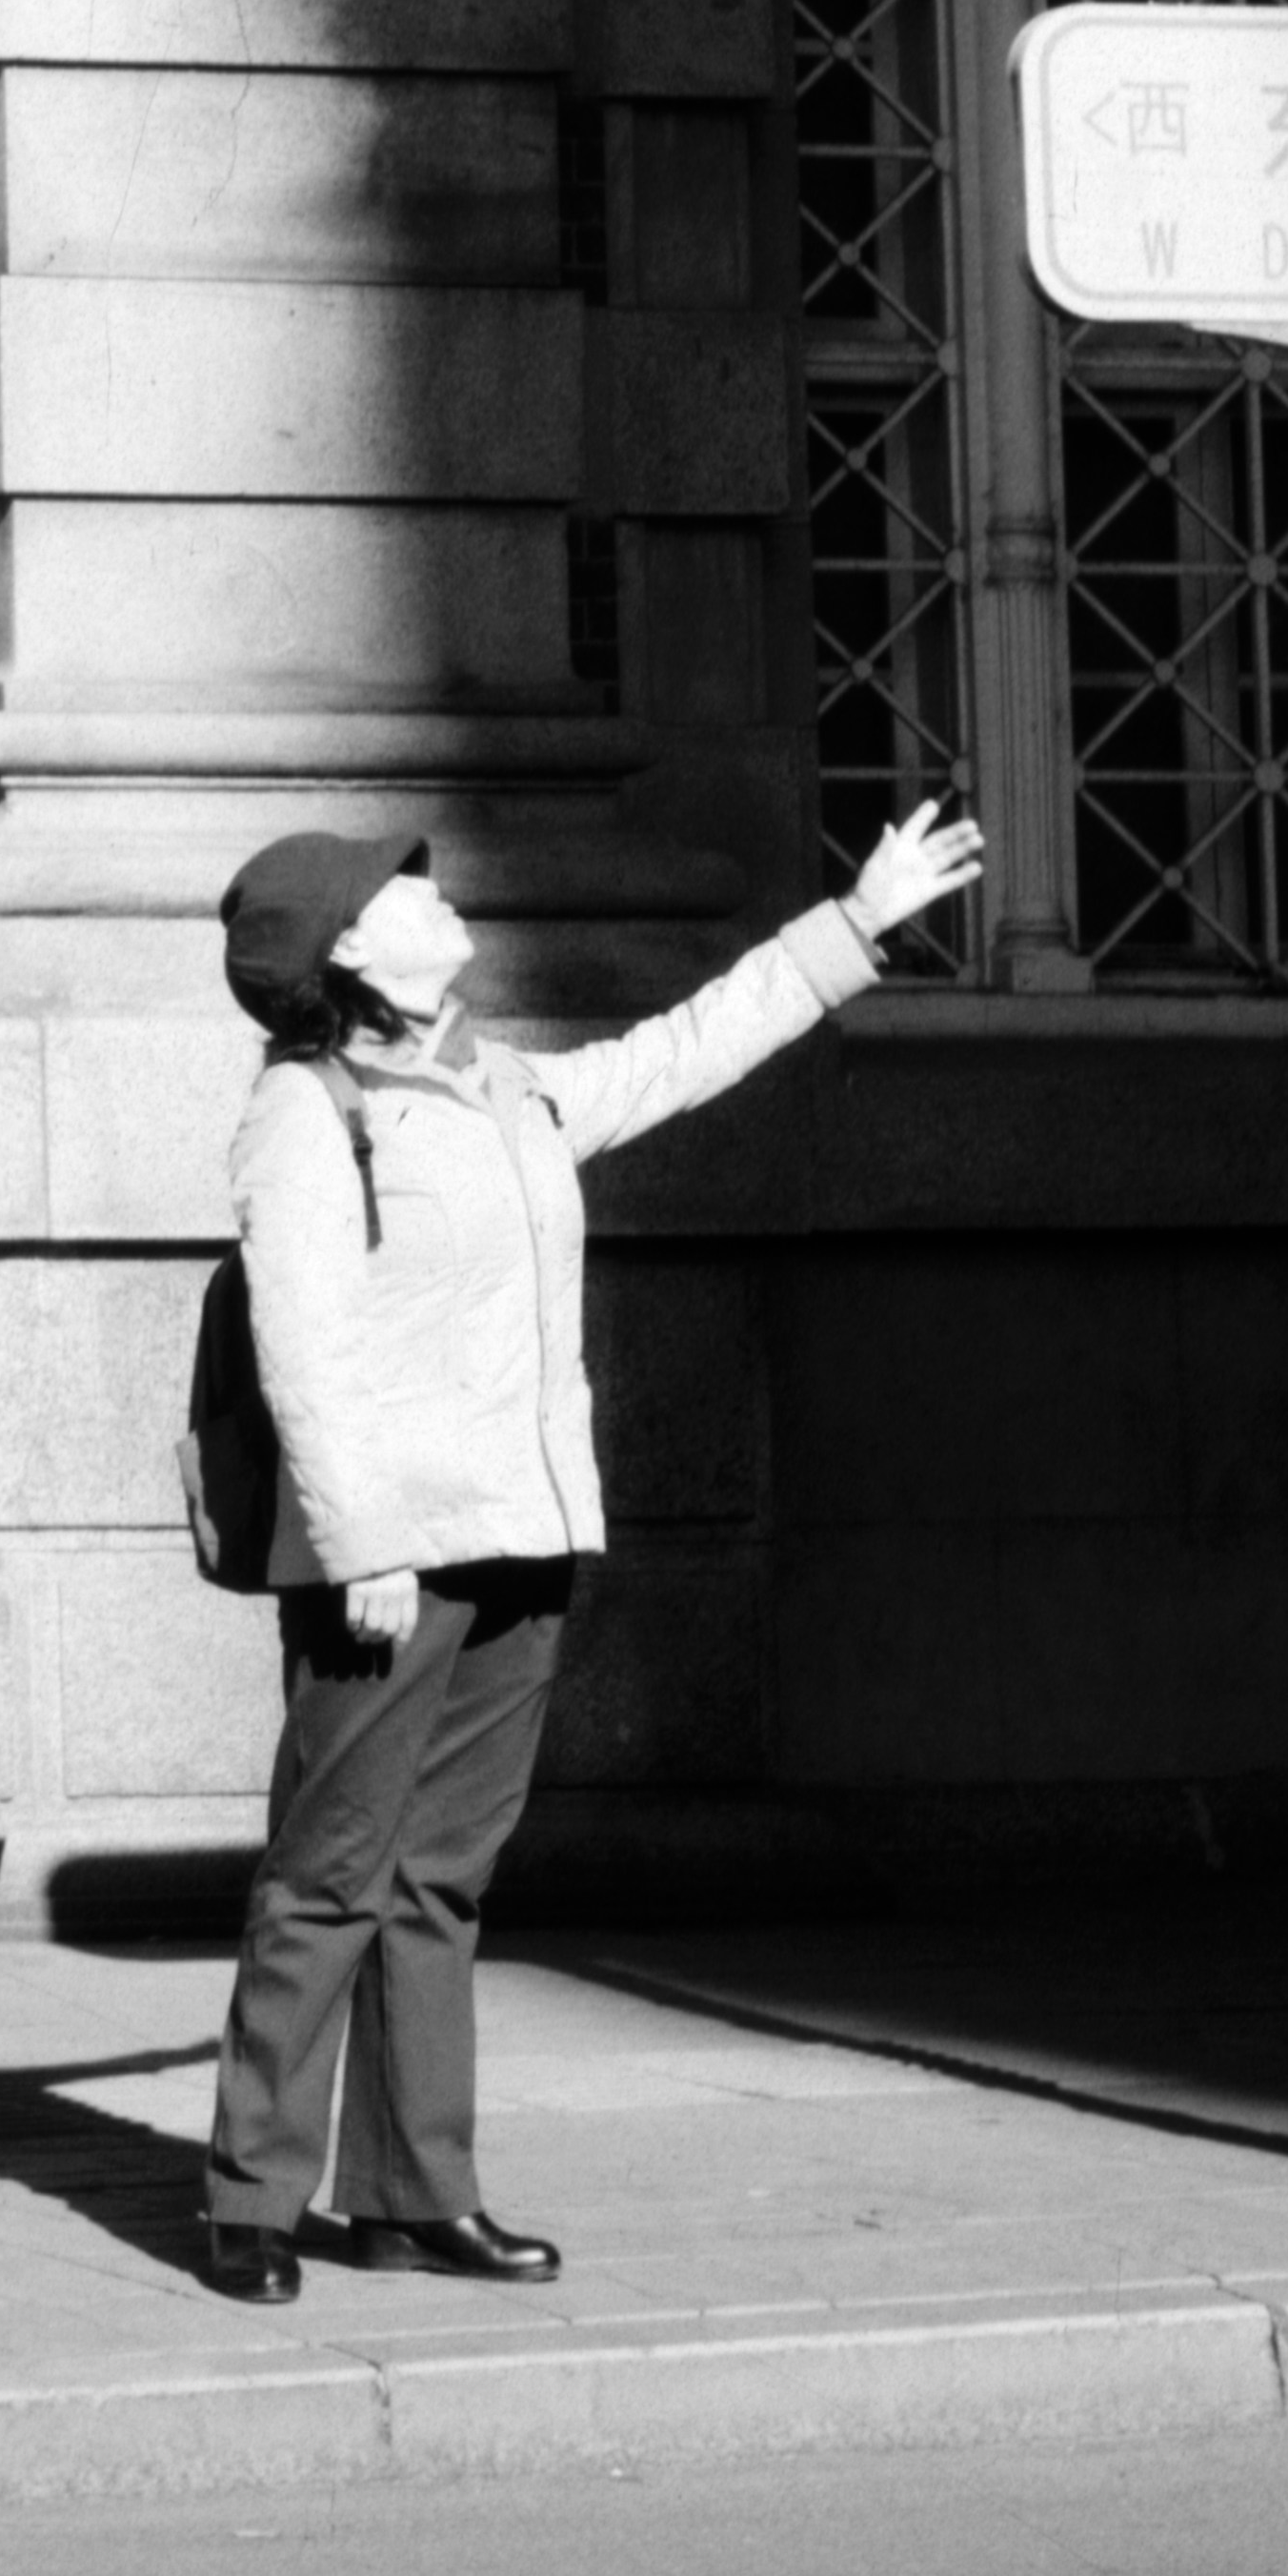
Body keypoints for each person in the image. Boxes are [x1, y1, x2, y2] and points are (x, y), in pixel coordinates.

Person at [185, 802, 984, 2308]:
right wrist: (358, 1538)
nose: (430, 892)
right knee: (328, 1875)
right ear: (353, 951)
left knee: (440, 1883)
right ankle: (251, 2194)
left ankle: (417, 2192)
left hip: (524, 1531)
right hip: (389, 1560)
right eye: (397, 890)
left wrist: (857, 923)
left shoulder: (508, 1090)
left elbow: (682, 1051)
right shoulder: (307, 1114)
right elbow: (303, 1345)